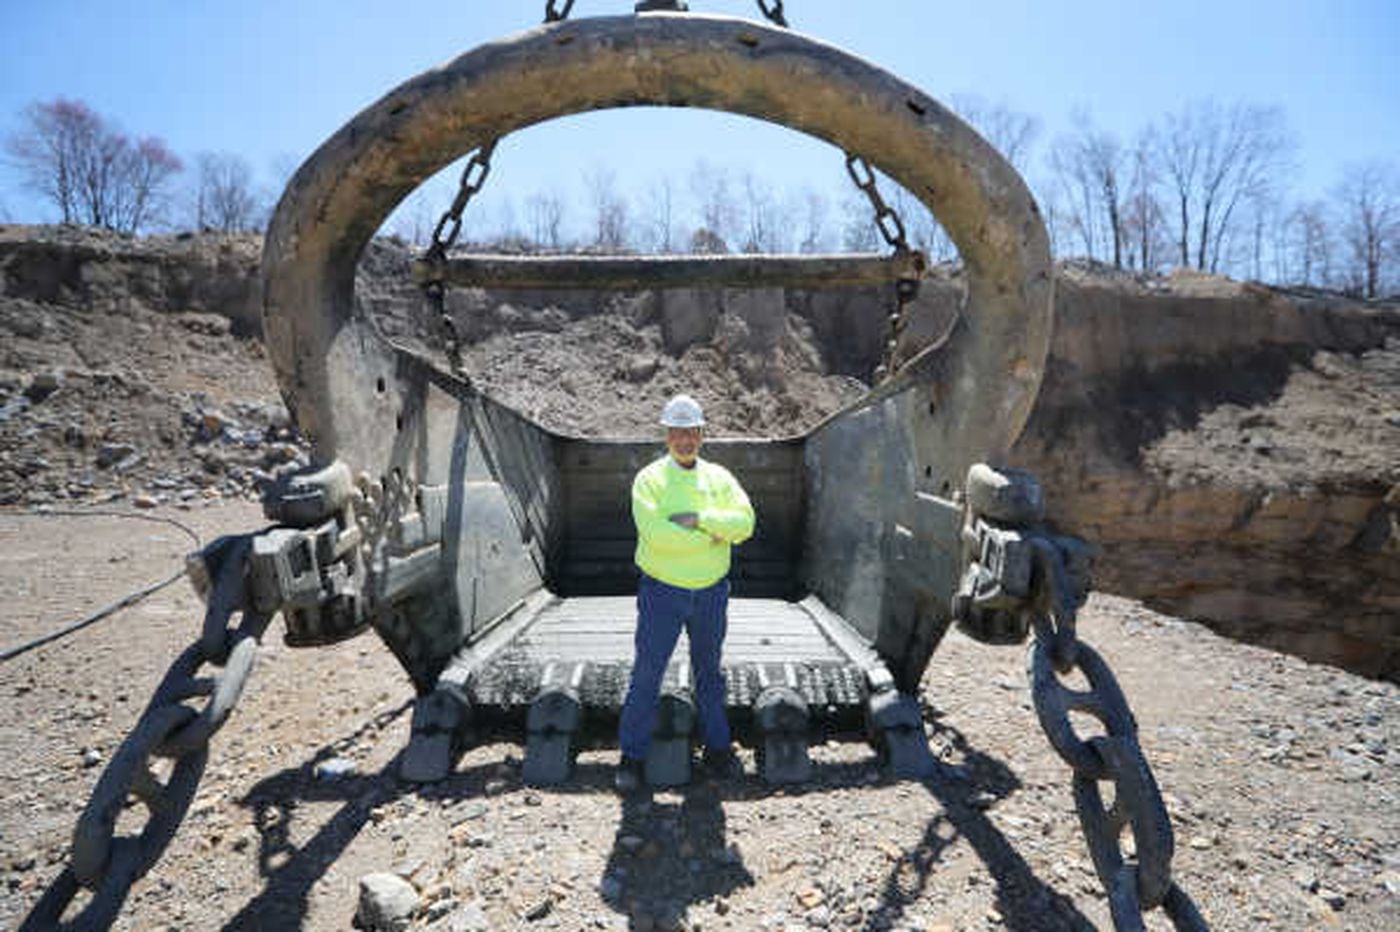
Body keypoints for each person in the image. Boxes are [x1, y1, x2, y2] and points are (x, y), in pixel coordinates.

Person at [616, 393, 755, 793]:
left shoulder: (719, 479)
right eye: (677, 432)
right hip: (663, 592)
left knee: (709, 674)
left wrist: (699, 520)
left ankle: (717, 749)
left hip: (711, 593)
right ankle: (632, 757)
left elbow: (744, 523)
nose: (684, 440)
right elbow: (656, 535)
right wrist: (713, 535)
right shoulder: (650, 480)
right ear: (666, 435)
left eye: (691, 432)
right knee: (648, 673)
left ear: (701, 434)